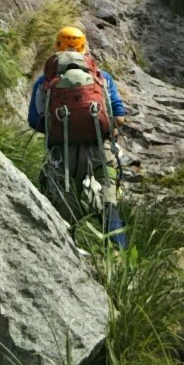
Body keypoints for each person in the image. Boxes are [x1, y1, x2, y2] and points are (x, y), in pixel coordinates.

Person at [28, 25, 128, 247]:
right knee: (109, 206)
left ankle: (63, 257)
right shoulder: (102, 78)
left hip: (61, 155)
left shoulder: (44, 81)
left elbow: (34, 121)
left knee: (62, 211)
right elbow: (119, 118)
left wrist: (61, 126)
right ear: (84, 48)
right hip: (100, 152)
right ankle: (119, 259)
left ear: (57, 46)